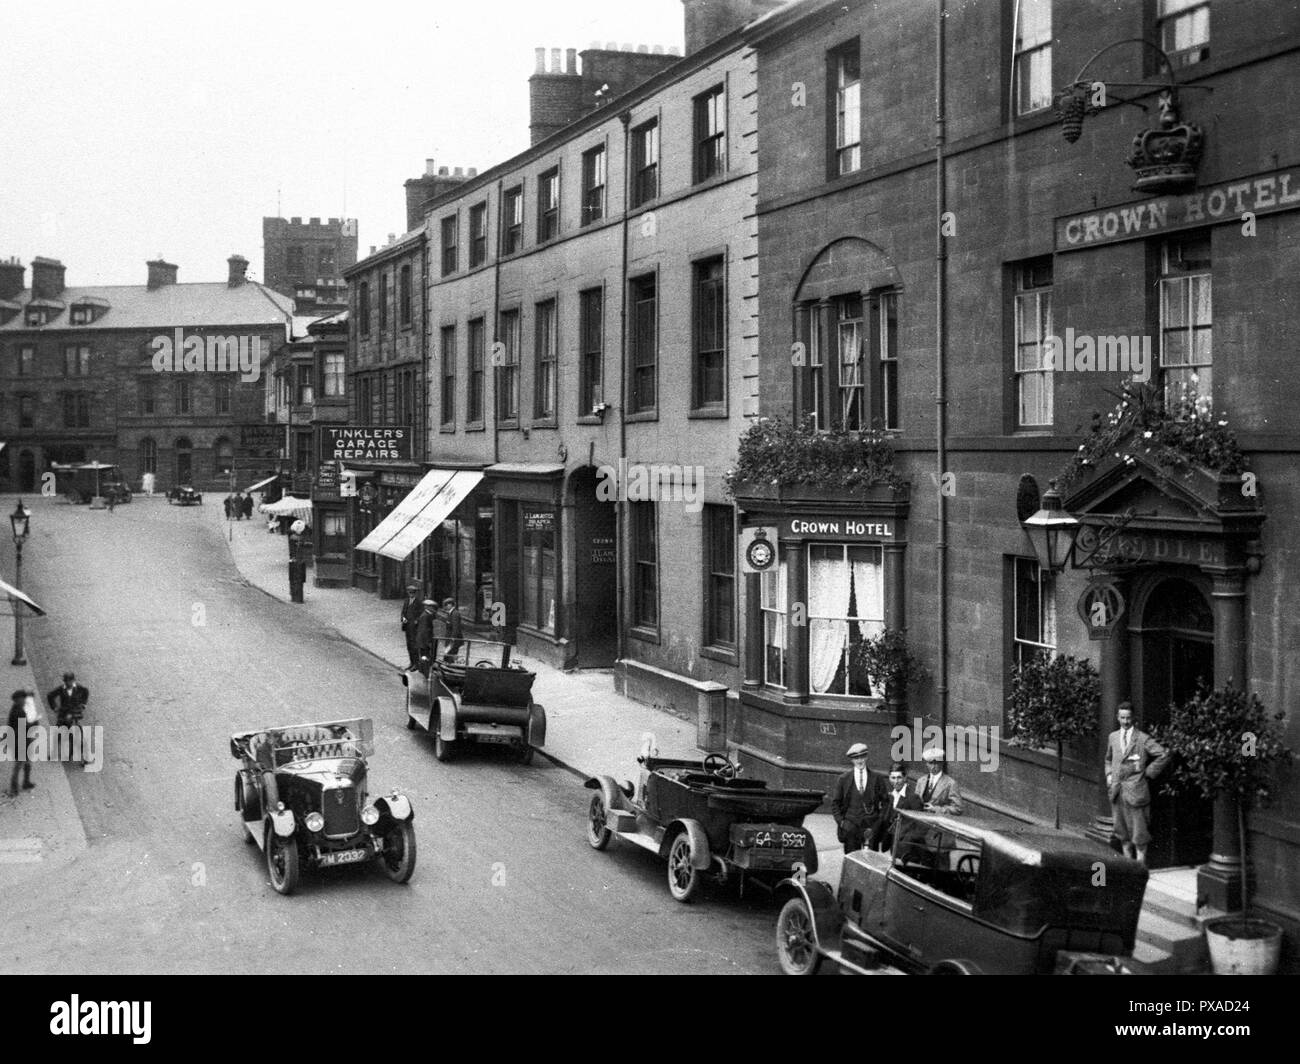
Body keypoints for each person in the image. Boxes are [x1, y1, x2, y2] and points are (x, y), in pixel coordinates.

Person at [1105, 701, 1171, 865]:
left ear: (1133, 718)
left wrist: (1147, 773)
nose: (1125, 721)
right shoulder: (1113, 737)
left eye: (1128, 718)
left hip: (1136, 793)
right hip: (1117, 792)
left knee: (1139, 835)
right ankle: (1129, 870)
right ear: (1117, 717)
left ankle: (1140, 870)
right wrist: (1109, 775)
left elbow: (1163, 754)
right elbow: (1108, 759)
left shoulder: (1142, 739)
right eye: (1122, 718)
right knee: (1123, 835)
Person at [830, 742, 889, 853]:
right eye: (856, 758)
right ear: (851, 760)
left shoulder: (877, 778)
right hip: (850, 825)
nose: (860, 761)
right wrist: (842, 822)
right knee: (852, 858)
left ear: (866, 757)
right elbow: (835, 804)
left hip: (871, 826)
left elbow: (886, 802)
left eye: (862, 757)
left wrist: (879, 821)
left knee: (870, 859)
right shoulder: (843, 779)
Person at [870, 763, 924, 851]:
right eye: (893, 778)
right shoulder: (890, 795)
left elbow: (920, 823)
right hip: (890, 838)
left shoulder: (913, 797)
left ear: (905, 778)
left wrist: (908, 838)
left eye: (899, 778)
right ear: (889, 778)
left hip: (904, 841)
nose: (896, 781)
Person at [915, 746, 963, 814]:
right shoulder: (921, 781)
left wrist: (936, 809)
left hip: (937, 819)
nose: (933, 766)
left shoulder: (950, 783)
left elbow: (958, 808)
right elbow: (915, 801)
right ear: (926, 764)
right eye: (930, 763)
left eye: (936, 763)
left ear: (942, 763)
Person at [7, 690, 37, 796]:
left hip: (25, 739)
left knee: (27, 762)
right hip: (19, 741)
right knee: (19, 765)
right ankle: (13, 788)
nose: (24, 700)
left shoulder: (20, 708)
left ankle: (25, 782)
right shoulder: (17, 711)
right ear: (18, 700)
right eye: (22, 699)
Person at [400, 584, 424, 670]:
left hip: (414, 628)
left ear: (415, 593)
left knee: (414, 646)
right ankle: (411, 662)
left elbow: (421, 615)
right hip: (407, 627)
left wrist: (416, 621)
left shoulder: (419, 603)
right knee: (409, 646)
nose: (411, 594)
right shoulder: (406, 601)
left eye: (413, 593)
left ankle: (416, 664)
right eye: (410, 593)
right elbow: (403, 612)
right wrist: (403, 618)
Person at [415, 599, 439, 672]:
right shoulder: (425, 616)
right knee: (425, 658)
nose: (434, 609)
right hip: (424, 642)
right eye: (432, 607)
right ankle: (424, 672)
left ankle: (424, 671)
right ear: (427, 607)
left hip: (423, 641)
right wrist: (428, 642)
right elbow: (424, 631)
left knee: (425, 658)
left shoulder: (427, 615)